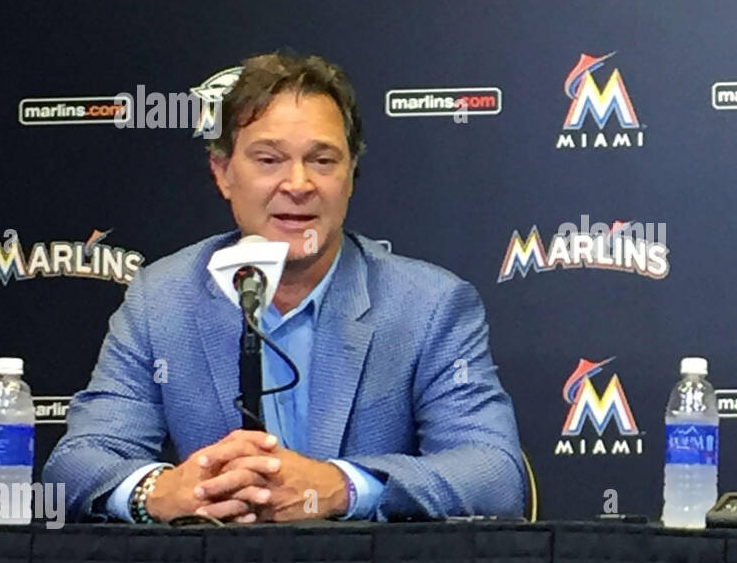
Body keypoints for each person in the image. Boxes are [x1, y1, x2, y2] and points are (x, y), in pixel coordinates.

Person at [44, 52, 524, 523]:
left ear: (351, 175)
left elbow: (493, 475)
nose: (298, 184)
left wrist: (340, 488)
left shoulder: (429, 306)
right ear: (223, 173)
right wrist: (158, 491)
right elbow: (76, 465)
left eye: (322, 160)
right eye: (269, 159)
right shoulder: (161, 300)